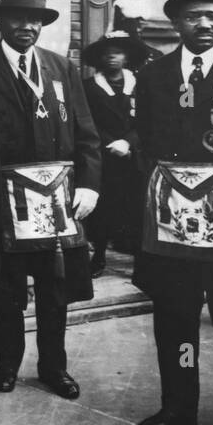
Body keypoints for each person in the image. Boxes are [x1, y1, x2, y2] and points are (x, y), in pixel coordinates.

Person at [0, 0, 100, 400]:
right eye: (17, 18)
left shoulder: (60, 68)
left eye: (35, 20)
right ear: (1, 21)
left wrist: (89, 184)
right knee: (6, 292)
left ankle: (53, 367)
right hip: (3, 203)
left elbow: (86, 132)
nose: (27, 26)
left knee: (55, 292)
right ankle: (7, 364)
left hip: (56, 202)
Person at [133, 0, 213, 425]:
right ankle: (178, 406)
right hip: (173, 219)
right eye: (193, 16)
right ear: (176, 22)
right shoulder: (154, 74)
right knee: (175, 317)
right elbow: (147, 139)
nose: (204, 24)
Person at [81, 29, 151, 275]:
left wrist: (129, 142)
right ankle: (98, 257)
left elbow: (148, 120)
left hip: (135, 157)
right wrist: (111, 143)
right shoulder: (88, 87)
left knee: (137, 209)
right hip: (104, 157)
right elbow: (86, 121)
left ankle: (141, 265)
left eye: (118, 53)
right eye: (107, 54)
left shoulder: (141, 84)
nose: (112, 58)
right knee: (103, 210)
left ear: (127, 57)